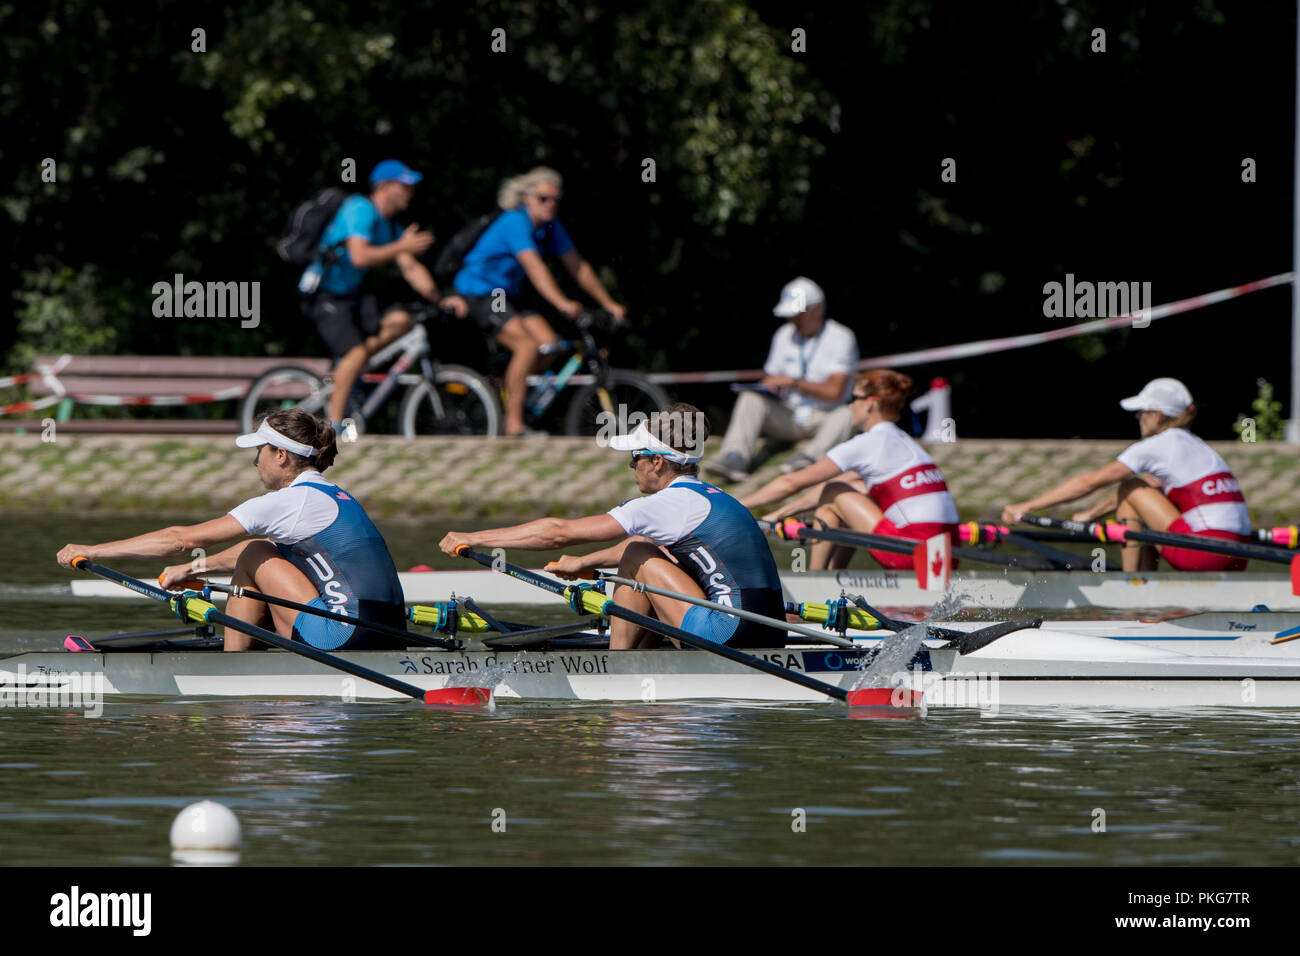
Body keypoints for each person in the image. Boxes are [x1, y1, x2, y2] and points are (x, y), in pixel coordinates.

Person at [438, 404, 787, 648]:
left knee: (638, 552)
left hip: (728, 633)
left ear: (656, 462)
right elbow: (653, 546)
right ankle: (641, 652)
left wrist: (473, 537)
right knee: (642, 547)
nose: (630, 465)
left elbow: (558, 532)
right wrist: (585, 563)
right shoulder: (714, 497)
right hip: (770, 633)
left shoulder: (666, 504)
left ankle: (619, 663)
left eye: (634, 457)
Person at [55, 410, 407, 651]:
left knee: (255, 552)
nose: (256, 462)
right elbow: (265, 552)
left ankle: (235, 664)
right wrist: (192, 569)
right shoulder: (334, 496)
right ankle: (247, 650)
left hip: (342, 640)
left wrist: (94, 550)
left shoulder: (287, 502)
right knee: (260, 549)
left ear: (281, 456)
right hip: (391, 635)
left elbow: (181, 539)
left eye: (260, 452)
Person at [1001, 377, 1250, 572]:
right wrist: (1090, 515)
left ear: (1158, 415)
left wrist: (1026, 506)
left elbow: (1088, 483)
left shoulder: (1157, 445)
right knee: (1141, 488)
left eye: (1142, 412)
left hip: (1203, 554)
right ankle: (1145, 581)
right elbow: (1149, 490)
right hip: (1241, 555)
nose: (1138, 418)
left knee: (1129, 487)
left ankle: (1131, 582)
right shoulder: (1198, 446)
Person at [451, 167, 627, 437]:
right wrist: (562, 303)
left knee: (550, 344)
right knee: (527, 346)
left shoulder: (550, 226)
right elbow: (534, 267)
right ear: (526, 198)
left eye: (555, 199)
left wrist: (608, 303)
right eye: (544, 198)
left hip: (507, 295)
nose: (551, 204)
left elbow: (577, 266)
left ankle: (507, 390)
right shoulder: (514, 221)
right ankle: (513, 424)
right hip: (480, 291)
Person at [298, 159, 468, 429]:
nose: (411, 192)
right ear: (385, 187)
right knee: (354, 353)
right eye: (405, 186)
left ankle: (352, 367)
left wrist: (440, 298)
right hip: (325, 295)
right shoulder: (361, 209)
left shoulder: (389, 225)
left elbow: (410, 266)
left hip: (350, 295)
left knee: (401, 320)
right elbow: (359, 256)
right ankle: (333, 427)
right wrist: (401, 245)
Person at [739, 370, 959, 570]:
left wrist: (736, 507)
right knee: (848, 488)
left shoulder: (869, 443)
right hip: (948, 554)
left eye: (853, 399)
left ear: (870, 404)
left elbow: (791, 483)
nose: (850, 405)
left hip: (912, 554)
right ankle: (833, 577)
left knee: (835, 492)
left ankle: (814, 581)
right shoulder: (904, 442)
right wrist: (777, 515)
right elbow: (840, 483)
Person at [702, 277, 858, 483]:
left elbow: (834, 392)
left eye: (797, 315)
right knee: (750, 398)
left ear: (816, 310)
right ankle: (734, 459)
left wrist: (794, 382)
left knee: (847, 413)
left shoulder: (841, 337)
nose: (791, 320)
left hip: (825, 417)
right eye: (790, 315)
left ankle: (809, 459)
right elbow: (772, 376)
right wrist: (770, 386)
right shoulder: (784, 335)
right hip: (790, 414)